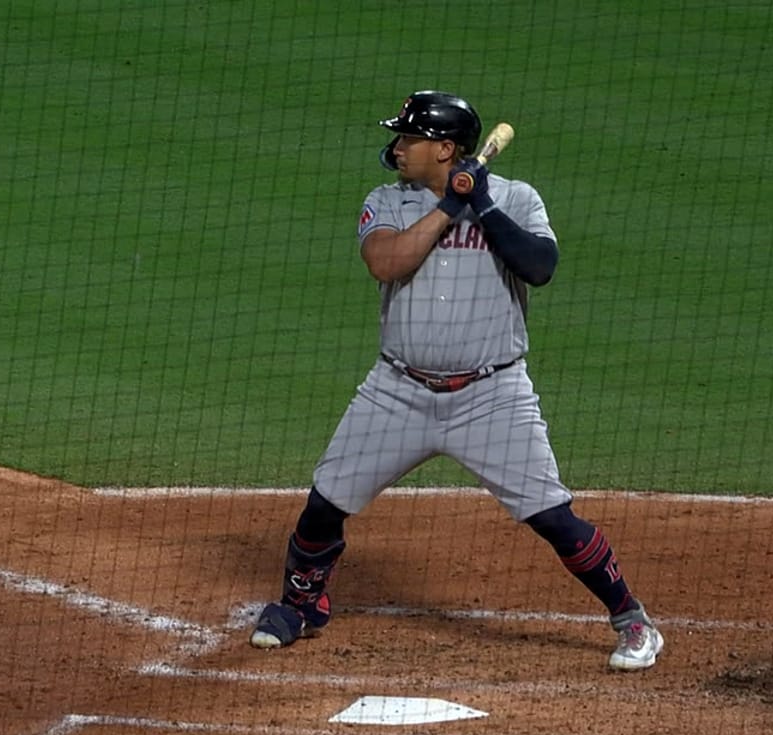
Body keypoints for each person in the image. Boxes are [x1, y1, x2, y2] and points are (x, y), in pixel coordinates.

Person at [247, 90, 663, 671]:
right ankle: (301, 605)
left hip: (492, 396)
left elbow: (539, 268)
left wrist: (483, 205)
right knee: (325, 503)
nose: (397, 147)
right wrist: (449, 206)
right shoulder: (387, 201)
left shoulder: (516, 198)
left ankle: (632, 619)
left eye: (409, 138)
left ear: (444, 149)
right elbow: (386, 263)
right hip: (397, 391)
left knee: (552, 516)